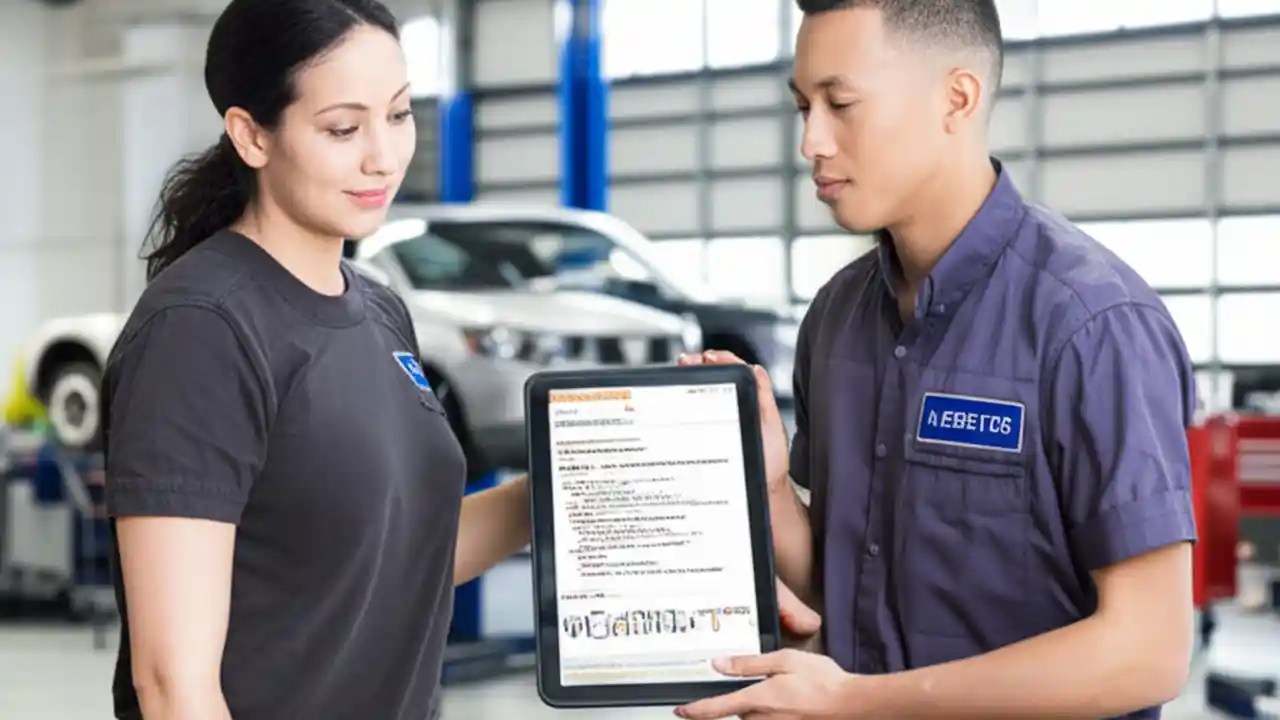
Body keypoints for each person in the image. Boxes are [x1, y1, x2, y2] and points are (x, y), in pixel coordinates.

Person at [676, 1, 1198, 718]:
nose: (811, 142)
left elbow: (1148, 650)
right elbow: (848, 597)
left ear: (957, 98)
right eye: (803, 107)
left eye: (841, 103)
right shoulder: (837, 318)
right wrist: (767, 493)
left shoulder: (1092, 326)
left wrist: (857, 703)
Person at [100, 2, 532, 718]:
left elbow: (393, 557)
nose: (384, 157)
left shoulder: (380, 309)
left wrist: (562, 481)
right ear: (250, 136)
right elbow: (174, 684)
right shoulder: (203, 330)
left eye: (398, 116)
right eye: (343, 128)